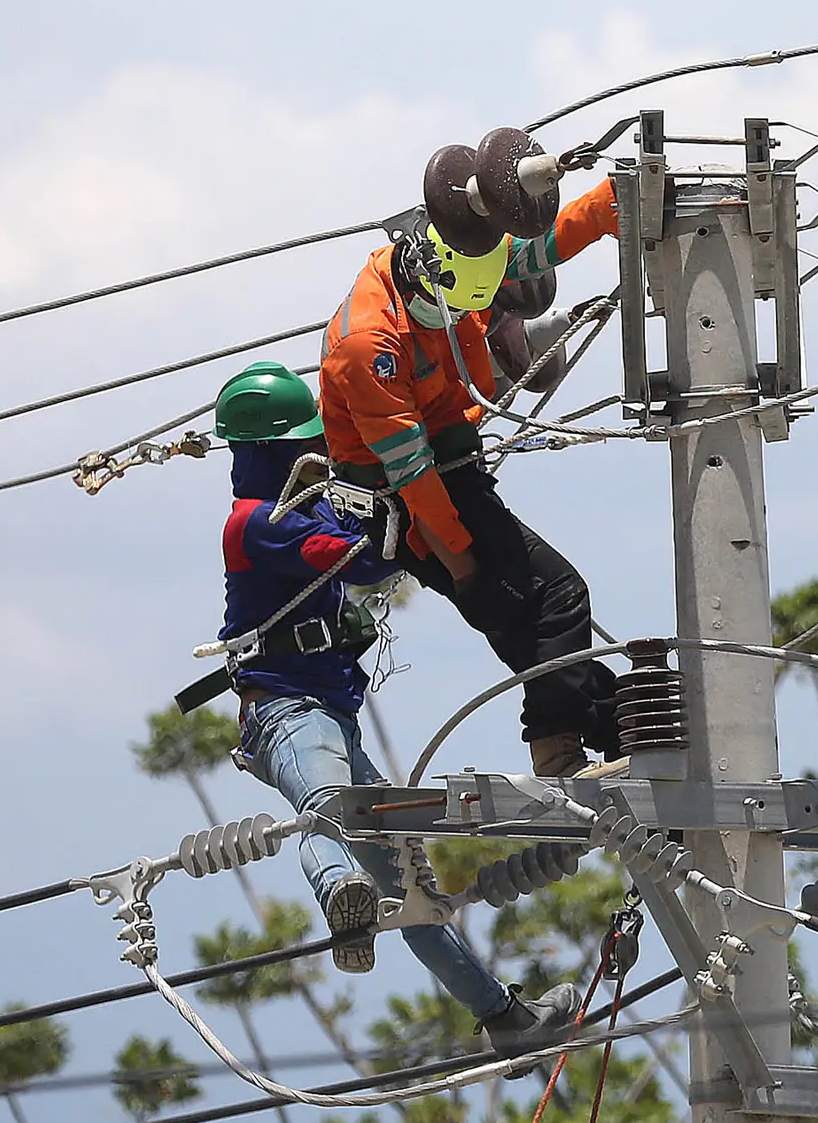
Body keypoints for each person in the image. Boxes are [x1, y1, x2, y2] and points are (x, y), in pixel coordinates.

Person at [201, 362, 581, 1057]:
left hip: (329, 716)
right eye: (303, 444)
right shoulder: (254, 524)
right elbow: (364, 560)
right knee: (327, 810)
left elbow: (366, 535)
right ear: (270, 451)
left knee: (410, 893)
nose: (315, 454)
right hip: (287, 712)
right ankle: (339, 890)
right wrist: (411, 498)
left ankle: (502, 1017)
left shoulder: (304, 508)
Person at [316, 178, 624, 778]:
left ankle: (611, 726)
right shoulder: (367, 345)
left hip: (450, 472)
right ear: (427, 283)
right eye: (451, 313)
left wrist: (610, 204)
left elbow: (536, 252)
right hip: (407, 498)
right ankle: (560, 747)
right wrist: (462, 566)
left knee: (524, 620)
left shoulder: (458, 255)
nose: (462, 322)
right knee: (557, 597)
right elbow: (411, 472)